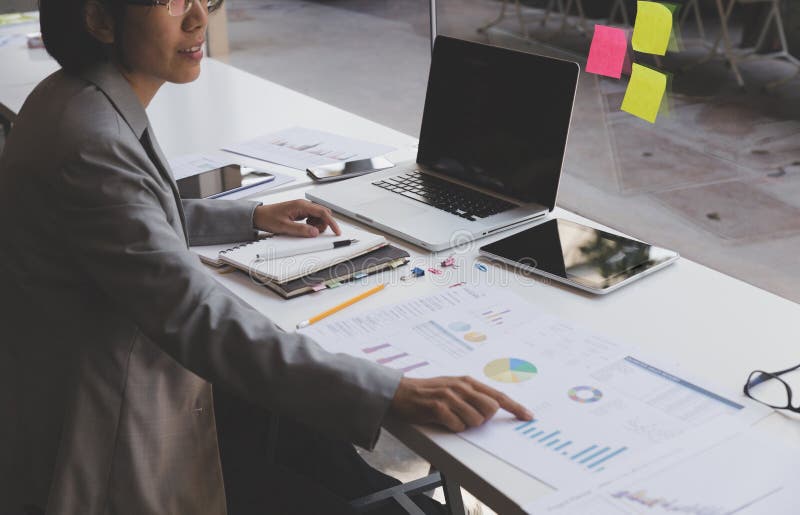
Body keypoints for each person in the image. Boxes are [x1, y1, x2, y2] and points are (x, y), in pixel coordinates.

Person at [0, 0, 532, 513]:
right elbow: (194, 317)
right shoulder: (91, 139)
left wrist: (249, 216)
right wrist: (389, 393)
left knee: (321, 446)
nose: (198, 17)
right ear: (98, 17)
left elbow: (133, 213)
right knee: (308, 431)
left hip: (113, 386)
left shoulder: (73, 98)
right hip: (118, 438)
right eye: (168, 0)